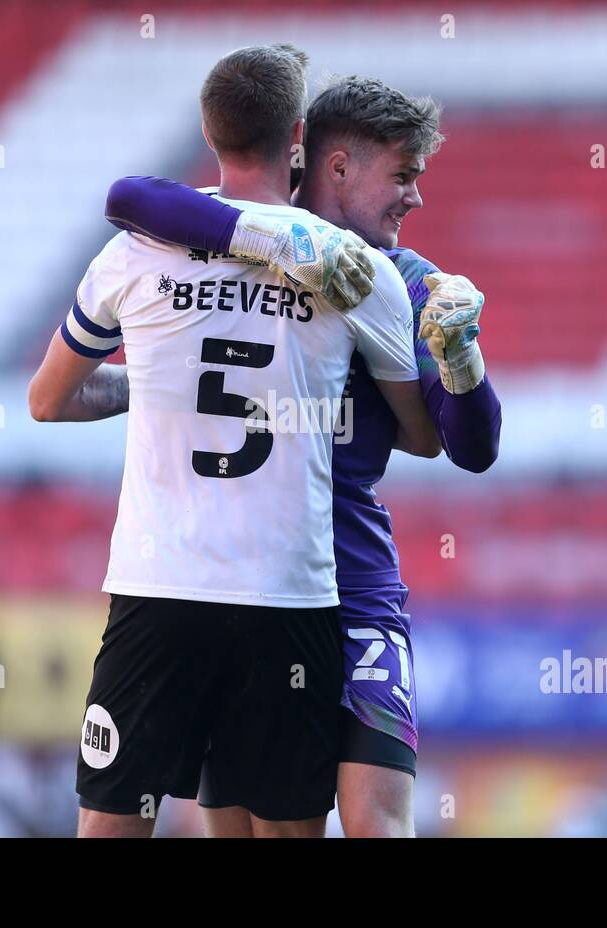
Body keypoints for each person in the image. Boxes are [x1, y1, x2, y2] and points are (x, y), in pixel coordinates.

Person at [28, 45, 439, 838]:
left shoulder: (134, 250)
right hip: (288, 596)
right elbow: (422, 433)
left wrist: (151, 383)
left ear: (209, 133)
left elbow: (48, 399)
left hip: (160, 588)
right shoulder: (353, 271)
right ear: (298, 137)